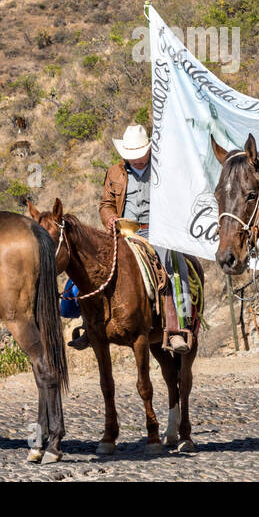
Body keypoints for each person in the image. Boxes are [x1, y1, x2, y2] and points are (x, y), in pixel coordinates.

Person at [94, 123, 192, 355]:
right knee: (93, 263)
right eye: (132, 156)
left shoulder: (163, 169)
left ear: (149, 150)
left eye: (140, 155)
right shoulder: (114, 173)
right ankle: (90, 325)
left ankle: (177, 325)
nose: (137, 160)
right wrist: (109, 218)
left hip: (157, 230)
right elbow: (106, 204)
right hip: (123, 232)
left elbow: (178, 197)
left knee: (172, 264)